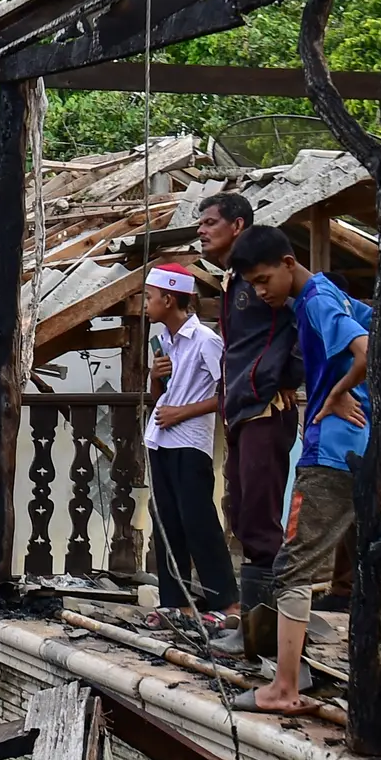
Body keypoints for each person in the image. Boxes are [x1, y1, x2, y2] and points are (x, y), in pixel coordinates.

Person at [225, 224, 381, 714]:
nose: (261, 292)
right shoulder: (331, 296)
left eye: (263, 280)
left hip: (332, 452)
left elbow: (366, 354)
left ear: (287, 262)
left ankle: (283, 687)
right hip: (369, 448)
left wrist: (340, 392)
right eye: (252, 286)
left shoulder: (319, 298)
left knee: (294, 565)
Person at [193, 191, 303, 651]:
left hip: (265, 409)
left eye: (210, 221)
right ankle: (256, 629)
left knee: (260, 521)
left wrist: (281, 379)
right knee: (242, 514)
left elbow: (308, 327)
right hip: (241, 411)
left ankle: (273, 635)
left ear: (238, 227)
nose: (201, 229)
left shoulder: (264, 281)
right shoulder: (233, 284)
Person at [142, 263, 237, 620]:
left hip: (189, 442)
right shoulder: (163, 341)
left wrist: (181, 413)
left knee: (198, 519)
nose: (145, 304)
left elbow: (227, 392)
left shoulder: (206, 341)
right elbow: (159, 399)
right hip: (160, 440)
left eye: (149, 298)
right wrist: (154, 377)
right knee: (166, 521)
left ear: (169, 299)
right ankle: (176, 601)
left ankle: (226, 602)